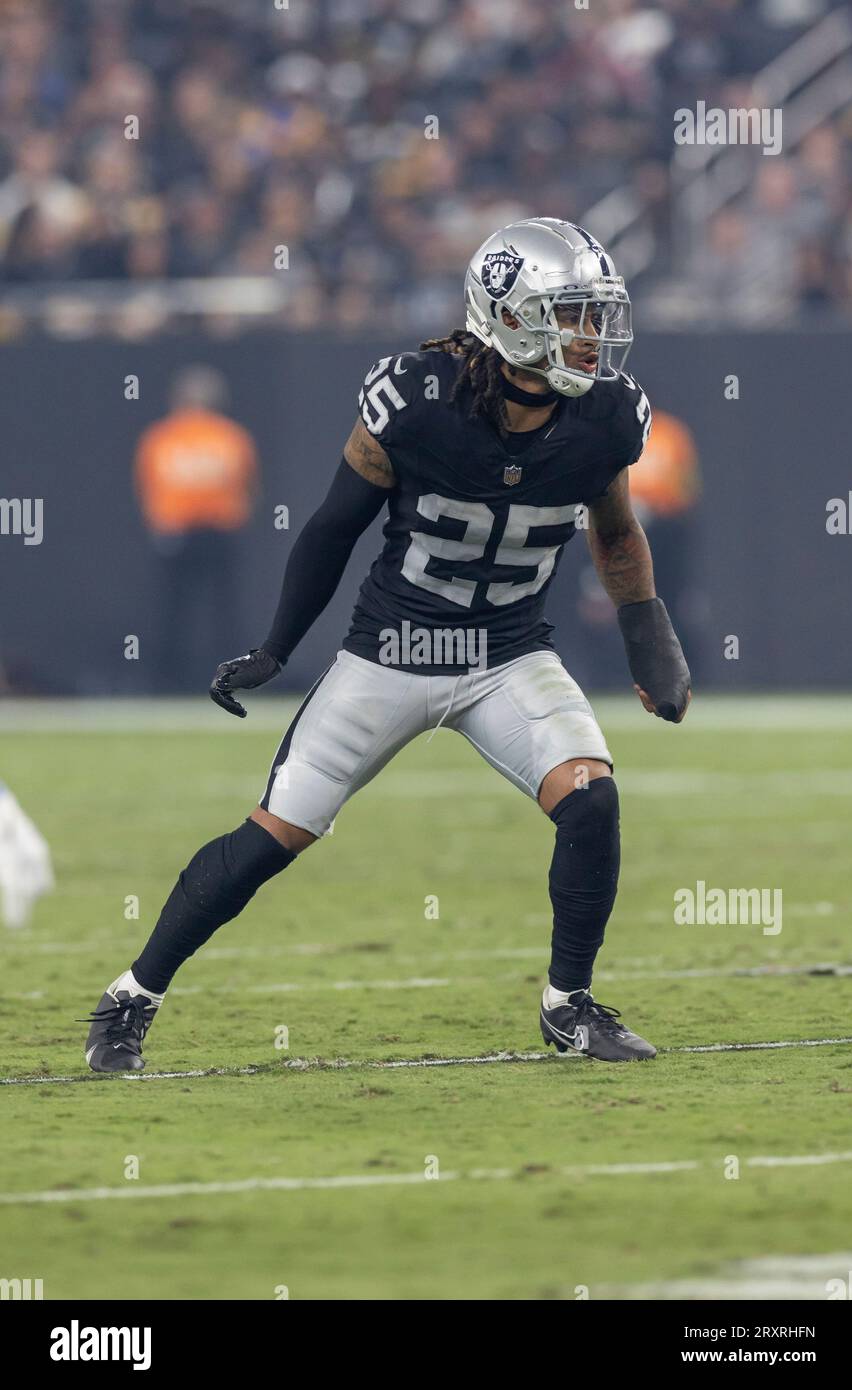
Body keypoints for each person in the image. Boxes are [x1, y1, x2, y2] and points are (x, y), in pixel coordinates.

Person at [84, 218, 690, 1072]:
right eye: (574, 315)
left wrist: (648, 636)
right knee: (272, 837)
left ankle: (568, 1004)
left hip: (509, 652)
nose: (594, 338)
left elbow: (618, 534)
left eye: (597, 316)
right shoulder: (417, 398)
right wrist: (277, 647)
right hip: (392, 652)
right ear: (512, 319)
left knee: (590, 801)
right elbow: (334, 527)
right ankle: (129, 997)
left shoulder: (604, 419)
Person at [134, 365, 259, 689]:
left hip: (180, 533)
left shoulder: (163, 435)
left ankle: (167, 681)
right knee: (222, 612)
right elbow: (248, 486)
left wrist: (161, 524)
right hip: (218, 531)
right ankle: (230, 678)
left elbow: (152, 486)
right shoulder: (229, 435)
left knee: (175, 611)